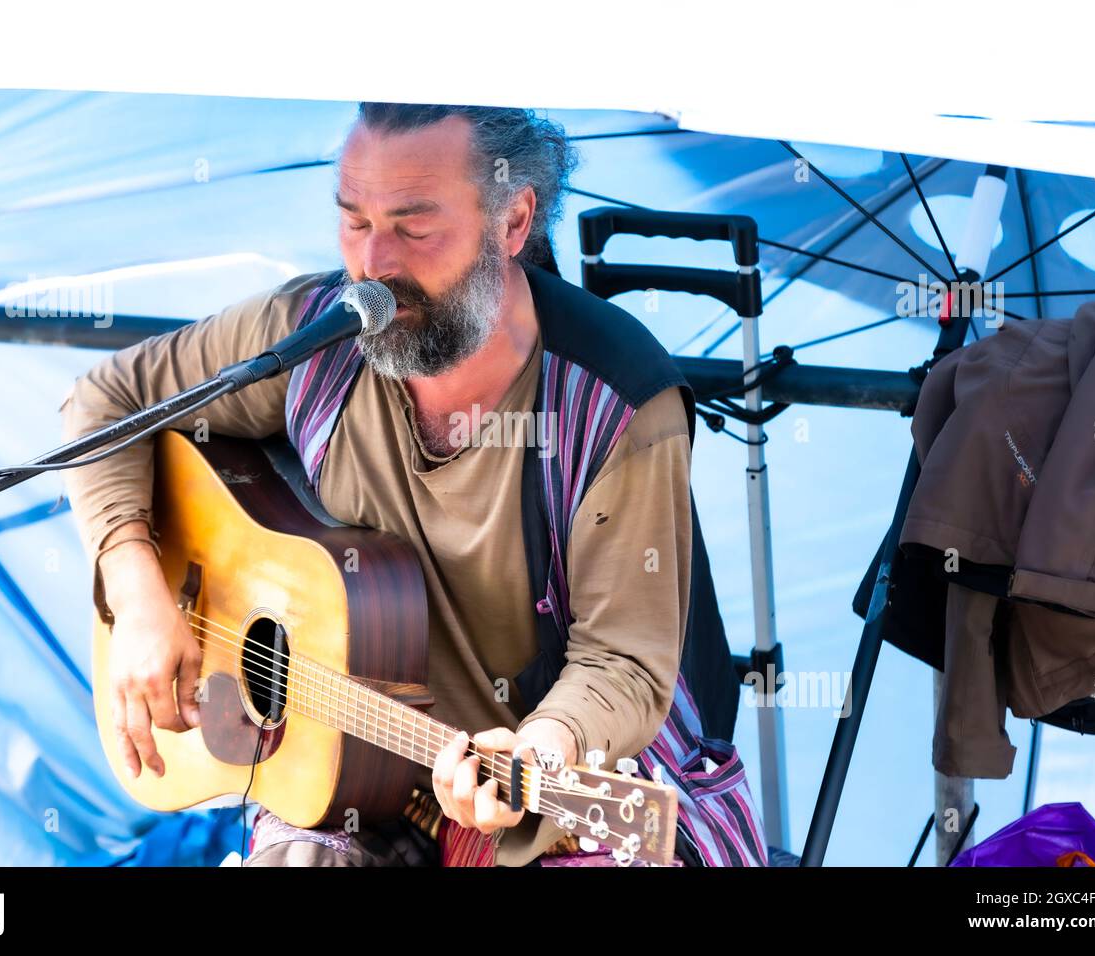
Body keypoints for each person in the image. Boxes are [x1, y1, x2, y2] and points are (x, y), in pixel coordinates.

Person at [60, 102, 748, 867]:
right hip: (348, 778)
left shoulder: (614, 401)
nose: (373, 265)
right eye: (354, 222)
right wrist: (136, 592)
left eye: (414, 227)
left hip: (564, 783)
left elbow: (621, 662)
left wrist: (541, 752)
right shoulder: (312, 332)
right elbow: (107, 402)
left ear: (512, 221)